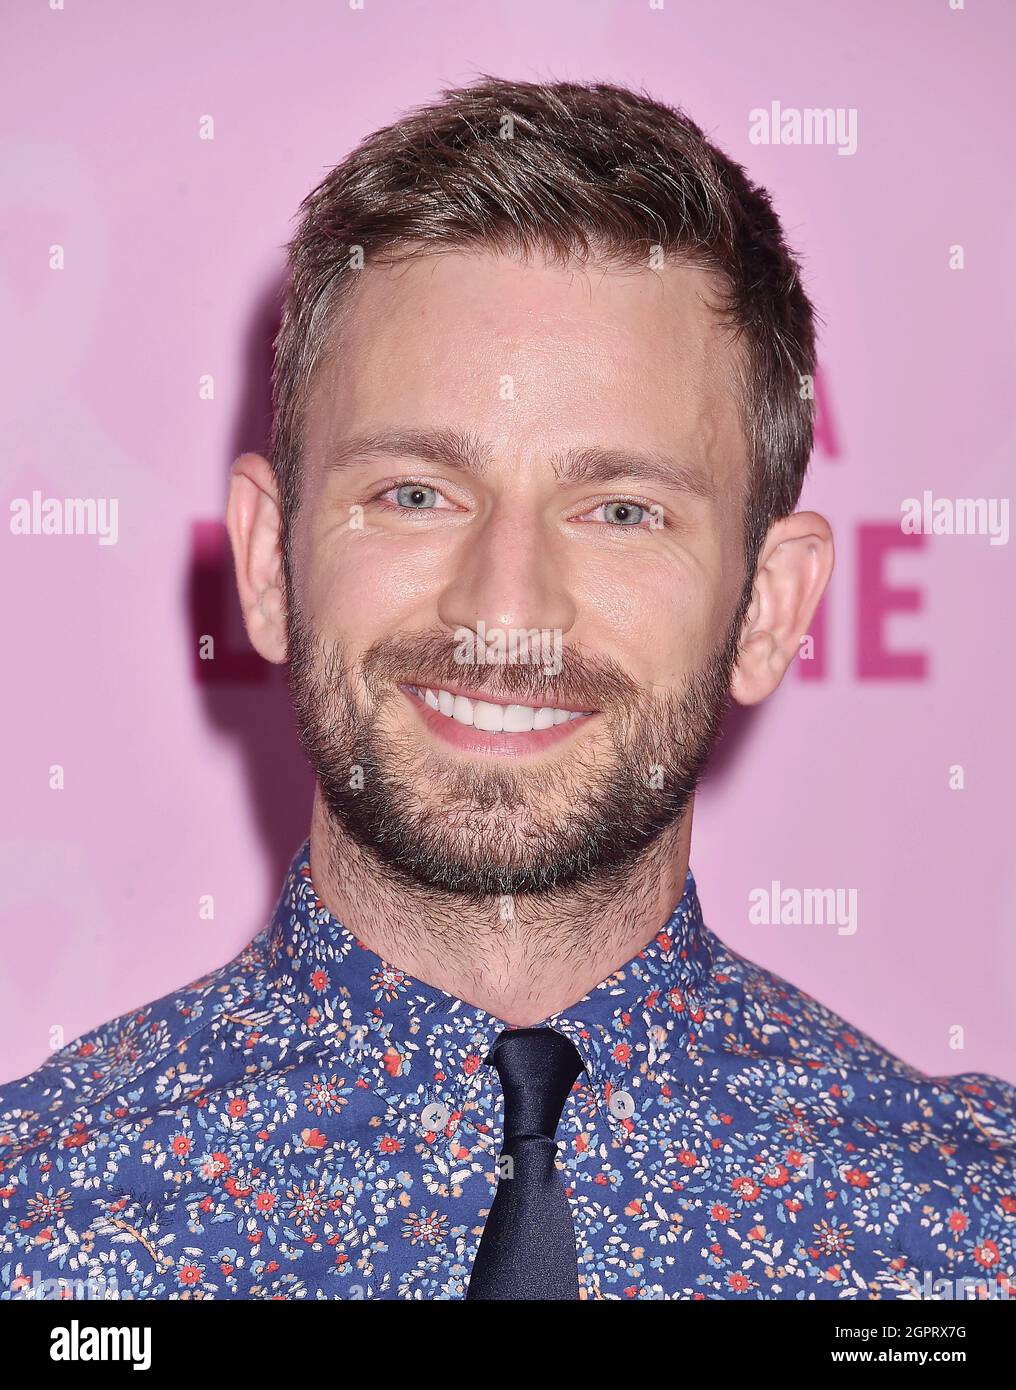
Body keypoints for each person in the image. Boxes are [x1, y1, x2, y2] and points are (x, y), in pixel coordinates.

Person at [2, 76, 1012, 1303]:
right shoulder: (34, 1221)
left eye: (620, 510)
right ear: (269, 559)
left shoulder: (969, 1235)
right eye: (416, 493)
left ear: (770, 606)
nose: (504, 607)